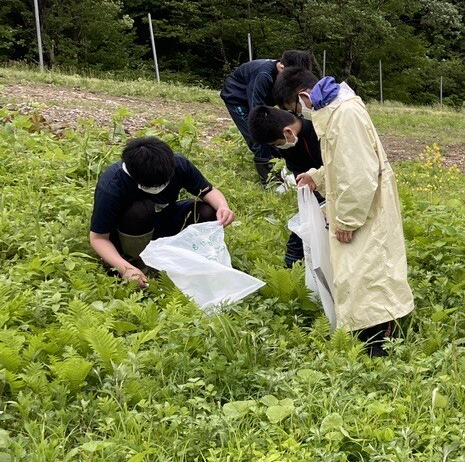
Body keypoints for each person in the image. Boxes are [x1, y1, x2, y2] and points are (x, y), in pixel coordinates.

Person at [257, 69, 413, 356]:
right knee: (362, 270)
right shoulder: (336, 111)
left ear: (303, 96)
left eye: (294, 108)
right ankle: (370, 334)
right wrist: (316, 176)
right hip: (362, 202)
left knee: (367, 270)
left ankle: (377, 343)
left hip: (364, 205)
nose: (298, 114)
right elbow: (342, 163)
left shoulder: (344, 115)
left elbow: (358, 175)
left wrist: (347, 220)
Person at [89, 136, 234, 286]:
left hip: (163, 220)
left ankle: (186, 256)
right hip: (130, 231)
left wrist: (223, 207)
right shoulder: (112, 186)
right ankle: (137, 262)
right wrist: (124, 268)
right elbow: (98, 238)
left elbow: (208, 191)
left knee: (207, 211)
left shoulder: (178, 164)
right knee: (139, 210)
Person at [221, 50, 316, 185]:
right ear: (282, 67)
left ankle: (279, 165)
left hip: (262, 99)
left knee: (278, 132)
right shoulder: (263, 75)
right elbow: (256, 107)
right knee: (259, 135)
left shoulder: (284, 77)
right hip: (238, 97)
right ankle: (269, 181)